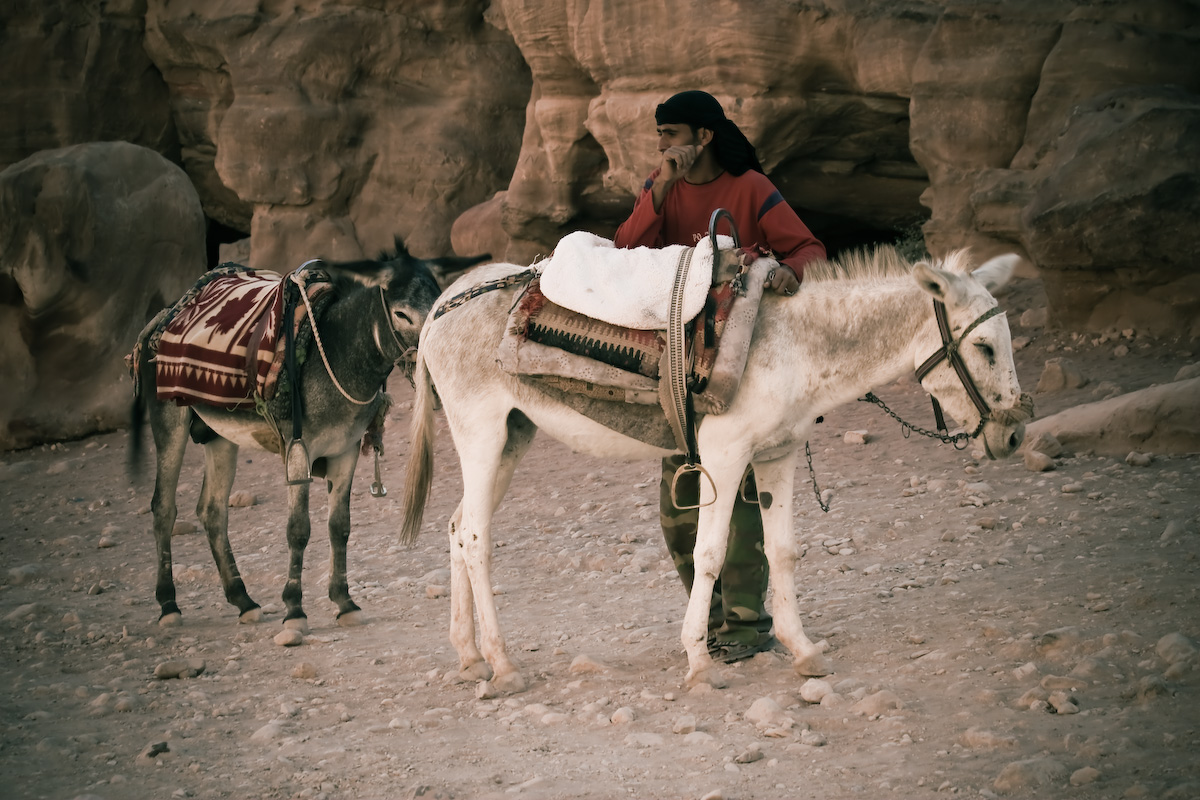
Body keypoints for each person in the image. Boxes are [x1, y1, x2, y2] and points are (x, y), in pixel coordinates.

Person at [613, 89, 827, 663]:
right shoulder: (659, 188)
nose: (662, 144)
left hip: (745, 364)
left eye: (671, 133)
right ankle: (703, 618)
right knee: (680, 500)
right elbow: (624, 251)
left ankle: (748, 627)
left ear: (704, 137)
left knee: (742, 503)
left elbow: (810, 249)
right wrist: (658, 190)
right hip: (679, 366)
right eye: (659, 134)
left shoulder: (751, 188)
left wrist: (786, 271)